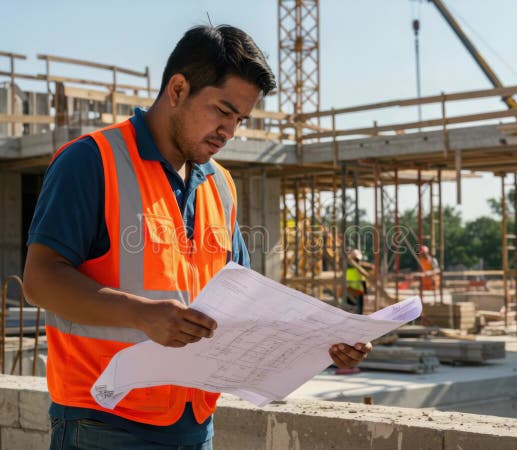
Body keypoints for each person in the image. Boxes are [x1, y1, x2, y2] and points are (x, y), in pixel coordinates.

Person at [23, 25, 372, 450]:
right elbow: (41, 279)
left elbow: (243, 298)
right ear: (178, 88)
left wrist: (321, 341)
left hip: (194, 423)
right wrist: (142, 314)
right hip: (102, 423)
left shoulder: (220, 185)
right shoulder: (91, 161)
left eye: (239, 119)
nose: (229, 131)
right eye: (222, 111)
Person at [345, 248, 370, 314]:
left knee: (350, 309)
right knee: (359, 311)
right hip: (358, 292)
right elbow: (363, 280)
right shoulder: (358, 269)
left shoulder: (347, 269)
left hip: (350, 291)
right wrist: (366, 292)